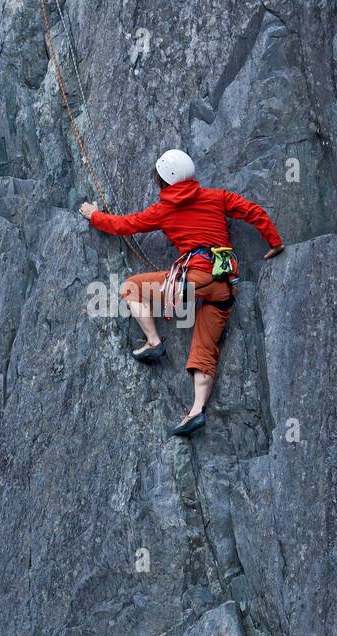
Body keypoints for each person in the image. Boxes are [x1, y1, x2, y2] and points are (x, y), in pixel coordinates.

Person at [79, 149, 284, 436]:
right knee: (205, 348)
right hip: (223, 284)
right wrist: (274, 242)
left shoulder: (163, 210)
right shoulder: (217, 197)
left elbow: (124, 226)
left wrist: (94, 215)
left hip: (193, 279)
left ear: (163, 181)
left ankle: (153, 341)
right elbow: (253, 211)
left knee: (130, 287)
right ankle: (197, 409)